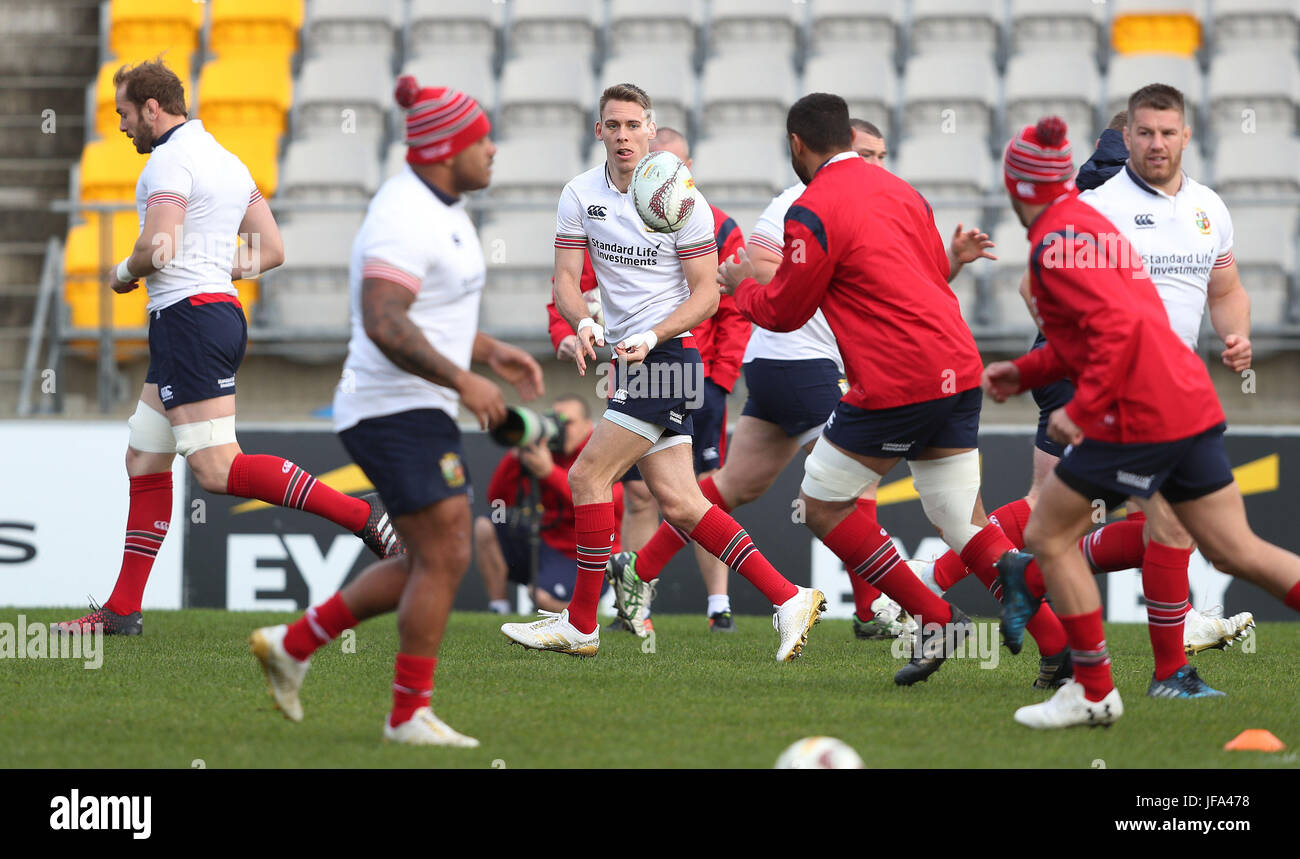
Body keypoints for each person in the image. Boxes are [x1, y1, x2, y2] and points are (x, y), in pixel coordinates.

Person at [54, 59, 404, 637]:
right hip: (205, 314)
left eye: (123, 114)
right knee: (144, 457)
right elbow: (271, 248)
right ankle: (121, 612)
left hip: (189, 320)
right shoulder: (226, 158)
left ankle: (365, 518)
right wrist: (216, 269)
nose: (120, 127)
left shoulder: (169, 159)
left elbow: (160, 246)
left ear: (151, 108)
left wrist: (122, 272)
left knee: (218, 470)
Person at [615, 118, 999, 645]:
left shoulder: (869, 198)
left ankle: (640, 568)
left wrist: (951, 260)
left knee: (733, 485)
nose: (875, 165)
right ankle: (873, 609)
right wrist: (769, 285)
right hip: (801, 361)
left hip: (781, 364)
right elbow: (766, 274)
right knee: (851, 482)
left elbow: (903, 292)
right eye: (866, 153)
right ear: (835, 150)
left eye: (883, 155)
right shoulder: (799, 202)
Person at [721, 93, 1060, 686]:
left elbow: (785, 310)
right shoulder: (903, 190)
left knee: (824, 504)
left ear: (796, 144)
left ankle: (936, 616)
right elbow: (930, 272)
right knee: (960, 519)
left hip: (900, 377)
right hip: (958, 367)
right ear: (850, 141)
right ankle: (1060, 647)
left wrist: (739, 287)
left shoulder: (812, 206)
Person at [249, 76, 543, 747]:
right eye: (481, 139)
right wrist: (465, 381)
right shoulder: (404, 213)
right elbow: (384, 319)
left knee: (429, 557)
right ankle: (408, 714)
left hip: (414, 402)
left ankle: (292, 644)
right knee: (448, 549)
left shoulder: (444, 204)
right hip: (392, 405)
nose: (494, 150)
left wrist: (488, 349)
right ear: (445, 149)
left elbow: (427, 312)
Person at [983, 115, 1300, 729]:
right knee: (1236, 550)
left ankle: (1094, 690)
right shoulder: (1088, 223)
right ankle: (1150, 677)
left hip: (1141, 408)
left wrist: (1081, 404)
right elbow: (1109, 323)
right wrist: (1024, 373)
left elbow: (1116, 333)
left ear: (1016, 189)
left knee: (1048, 535)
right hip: (1188, 398)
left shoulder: (1060, 238)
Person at [930, 94, 1255, 677]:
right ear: (1126, 137)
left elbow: (1225, 290)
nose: (1157, 144)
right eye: (1146, 133)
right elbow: (1061, 305)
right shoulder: (1096, 208)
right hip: (1103, 382)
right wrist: (1083, 392)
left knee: (1113, 520)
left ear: (1186, 136)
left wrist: (1237, 337)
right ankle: (1138, 660)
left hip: (1166, 389)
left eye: (1169, 133)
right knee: (1150, 523)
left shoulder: (1208, 207)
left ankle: (1023, 585)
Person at [501, 83, 825, 662]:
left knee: (585, 478)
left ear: (651, 129)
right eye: (613, 126)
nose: (623, 136)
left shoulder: (684, 199)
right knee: (682, 503)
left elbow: (707, 298)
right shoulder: (579, 194)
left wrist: (652, 334)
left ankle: (580, 624)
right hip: (632, 363)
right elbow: (566, 284)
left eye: (633, 125)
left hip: (668, 361)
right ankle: (788, 597)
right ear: (598, 131)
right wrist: (583, 325)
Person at [600, 125, 753, 633]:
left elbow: (730, 307)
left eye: (680, 166)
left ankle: (718, 604)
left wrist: (723, 377)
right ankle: (633, 606)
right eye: (661, 161)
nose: (670, 174)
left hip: (694, 375)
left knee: (695, 495)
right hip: (640, 368)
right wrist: (576, 327)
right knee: (649, 495)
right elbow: (582, 284)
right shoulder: (617, 217)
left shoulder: (713, 221)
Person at [473, 395, 621, 613]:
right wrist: (517, 452)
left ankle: (584, 614)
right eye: (554, 421)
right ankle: (499, 608)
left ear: (588, 426)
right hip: (545, 541)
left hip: (583, 553)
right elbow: (498, 499)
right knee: (485, 527)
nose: (560, 428)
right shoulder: (546, 451)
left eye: (568, 422)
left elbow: (600, 502)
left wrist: (549, 473)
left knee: (540, 597)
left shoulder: (601, 452)